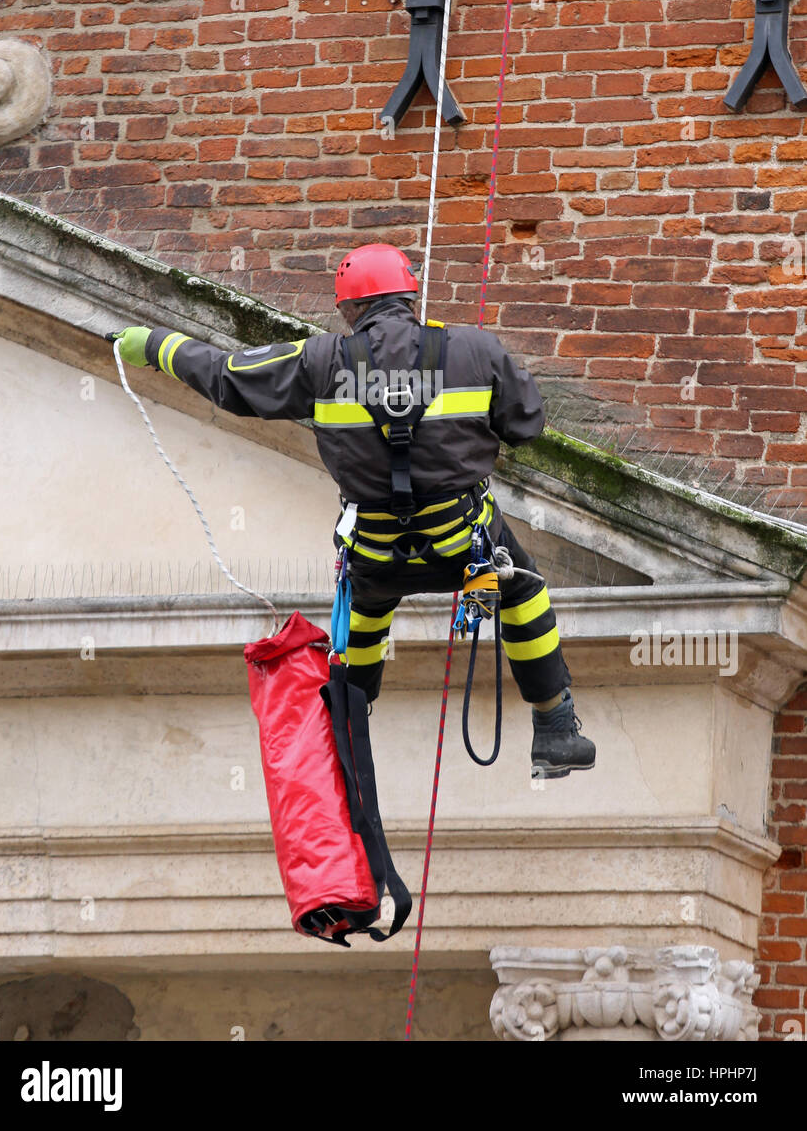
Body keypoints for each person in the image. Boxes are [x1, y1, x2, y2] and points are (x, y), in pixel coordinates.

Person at [112, 242, 595, 779]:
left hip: (375, 552)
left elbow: (228, 376)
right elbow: (527, 424)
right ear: (412, 297)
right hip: (465, 546)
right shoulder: (473, 351)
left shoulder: (321, 362)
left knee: (366, 610)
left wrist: (154, 345)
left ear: (348, 309)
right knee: (522, 586)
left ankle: (344, 741)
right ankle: (554, 730)